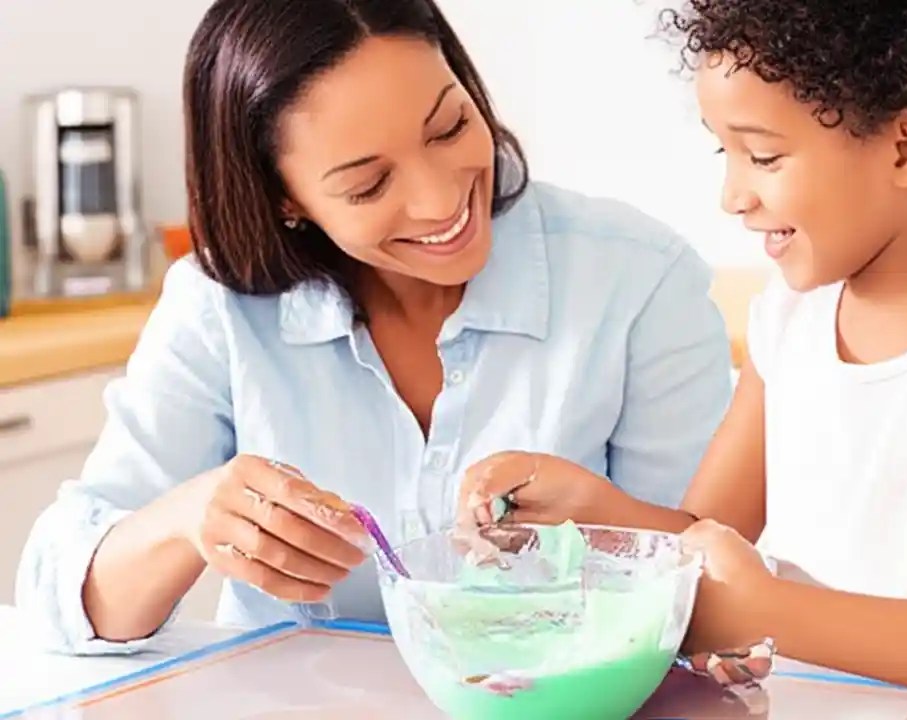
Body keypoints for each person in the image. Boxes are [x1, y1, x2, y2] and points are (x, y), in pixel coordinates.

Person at [456, 0, 907, 705]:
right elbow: (705, 541)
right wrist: (595, 514)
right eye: (728, 152)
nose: (733, 196)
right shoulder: (791, 317)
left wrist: (771, 612)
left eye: (764, 155)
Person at [15, 0, 732, 655]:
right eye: (368, 185)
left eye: (450, 126)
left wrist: (604, 530)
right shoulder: (219, 306)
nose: (441, 198)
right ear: (285, 199)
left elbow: (719, 585)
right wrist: (189, 517)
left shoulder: (636, 278)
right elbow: (56, 600)